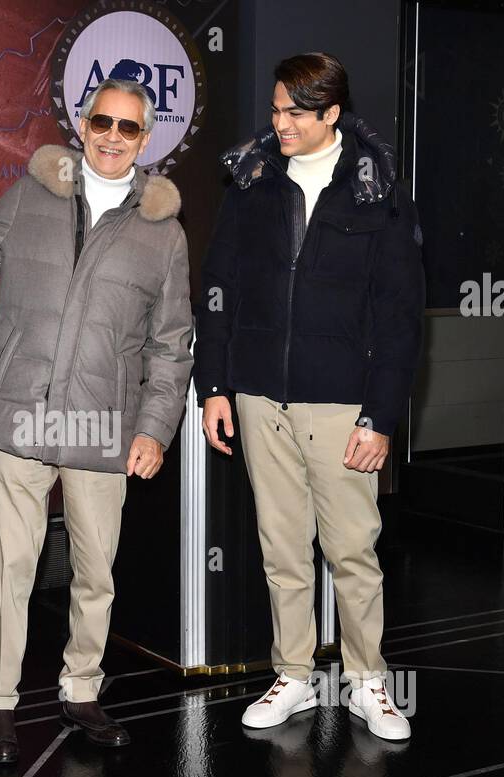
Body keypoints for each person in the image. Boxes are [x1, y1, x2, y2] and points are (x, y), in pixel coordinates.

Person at [0, 78, 194, 762]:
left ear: (146, 139)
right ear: (81, 121)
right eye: (101, 120)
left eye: (127, 127)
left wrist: (154, 429)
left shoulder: (163, 234)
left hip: (104, 425)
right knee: (10, 567)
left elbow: (171, 344)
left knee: (96, 570)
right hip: (21, 410)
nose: (111, 135)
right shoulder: (32, 193)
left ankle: (80, 688)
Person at [194, 53, 424, 741]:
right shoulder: (253, 180)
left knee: (353, 548)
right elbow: (218, 288)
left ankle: (367, 682)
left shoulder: (376, 189)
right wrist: (215, 386)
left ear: (331, 115)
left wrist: (382, 415)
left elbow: (402, 315)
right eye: (275, 109)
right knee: (282, 546)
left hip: (339, 401)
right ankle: (293, 674)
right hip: (261, 396)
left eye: (295, 112)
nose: (279, 123)